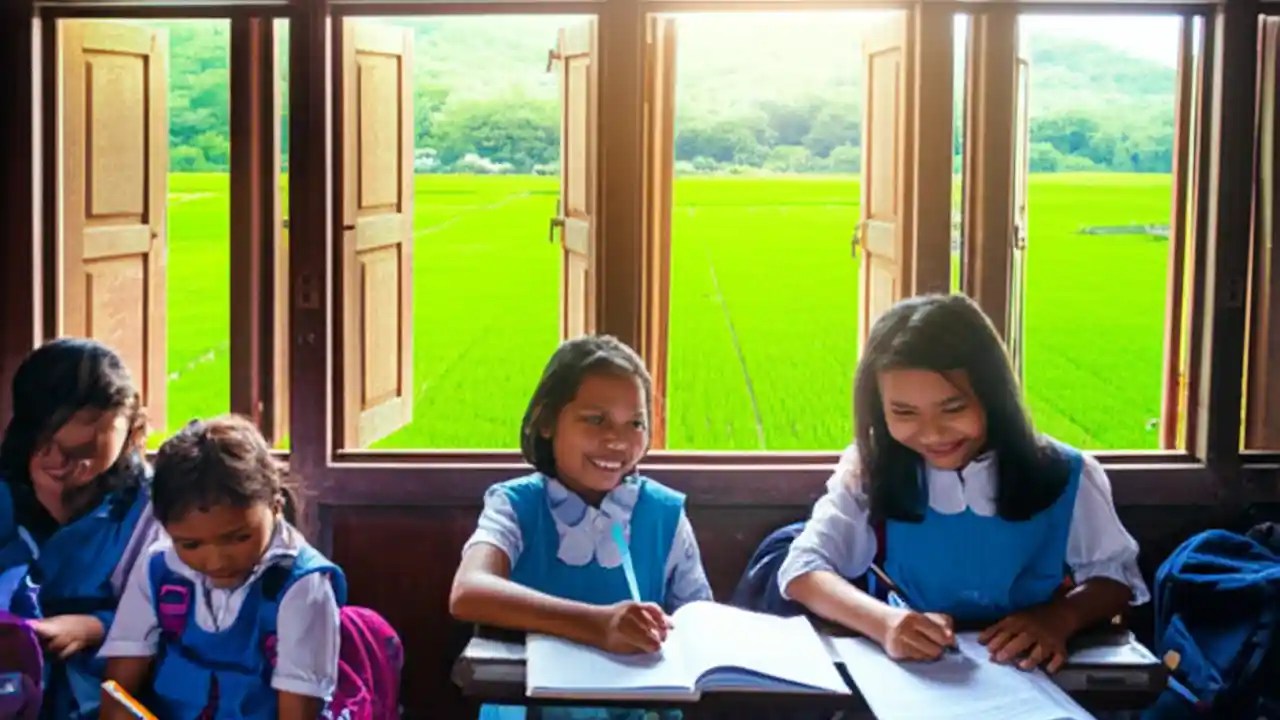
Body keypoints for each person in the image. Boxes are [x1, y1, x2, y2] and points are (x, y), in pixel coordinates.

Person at [779, 294, 1148, 673]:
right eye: (904, 413)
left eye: (953, 408)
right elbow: (803, 569)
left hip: (1029, 670)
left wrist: (1058, 618)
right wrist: (884, 624)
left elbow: (1113, 579)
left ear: (993, 396)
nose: (932, 433)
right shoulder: (870, 470)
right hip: (911, 673)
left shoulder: (1065, 473)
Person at [450, 335, 712, 720]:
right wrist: (598, 624)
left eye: (635, 423)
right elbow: (469, 591)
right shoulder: (516, 506)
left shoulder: (665, 515)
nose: (617, 441)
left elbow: (699, 622)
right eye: (596, 420)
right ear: (546, 422)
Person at [100, 415, 344, 720]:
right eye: (190, 545)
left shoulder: (302, 587)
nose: (216, 562)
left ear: (275, 505)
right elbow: (118, 695)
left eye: (239, 537)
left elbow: (298, 714)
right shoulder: (158, 568)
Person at [0, 338, 161, 719]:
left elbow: (190, 613)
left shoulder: (153, 509)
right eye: (44, 443)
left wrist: (95, 628)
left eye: (83, 452)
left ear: (133, 433)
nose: (57, 462)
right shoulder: (7, 490)